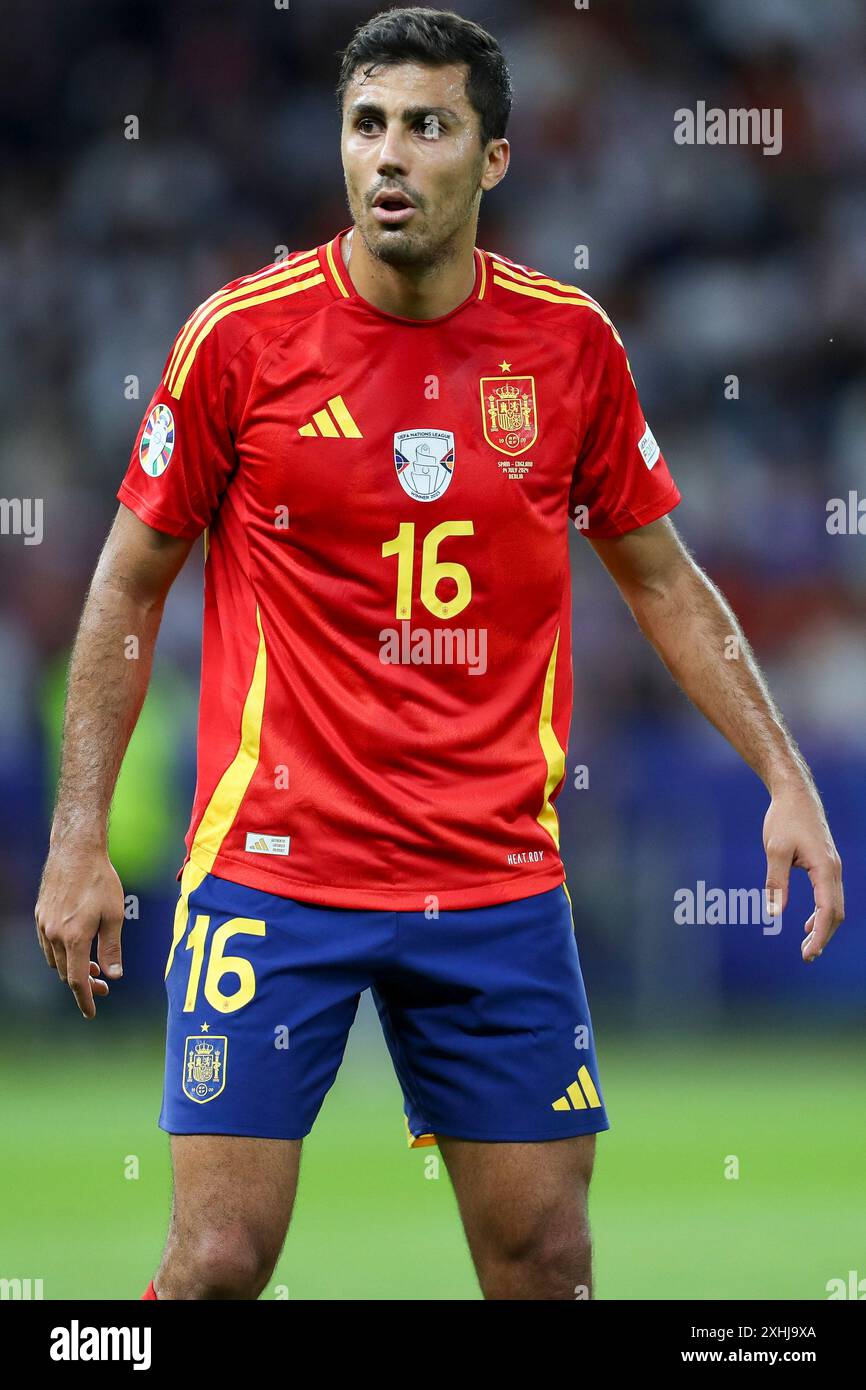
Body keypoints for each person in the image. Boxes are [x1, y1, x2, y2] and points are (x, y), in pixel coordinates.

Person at [35, 6, 844, 1301]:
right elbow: (126, 584)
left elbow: (662, 582)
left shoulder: (567, 346)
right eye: (366, 126)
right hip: (273, 869)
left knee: (545, 1263)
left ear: (493, 158)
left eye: (427, 125)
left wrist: (782, 773)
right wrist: (79, 835)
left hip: (488, 876)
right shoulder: (239, 339)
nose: (389, 156)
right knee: (216, 1265)